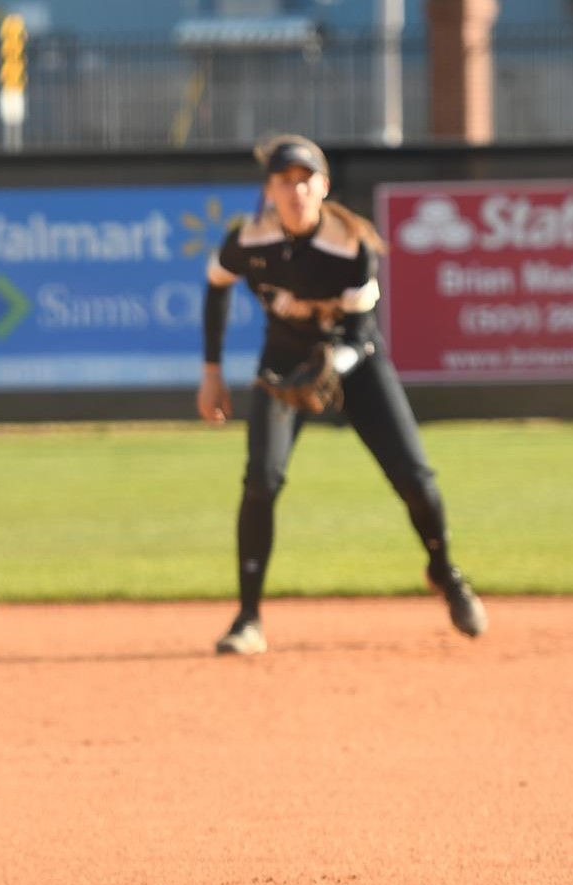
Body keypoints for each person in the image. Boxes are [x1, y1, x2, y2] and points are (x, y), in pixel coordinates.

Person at [198, 135, 486, 656]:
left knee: (416, 478)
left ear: (323, 187)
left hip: (354, 364)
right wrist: (212, 372)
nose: (295, 191)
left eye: (305, 180)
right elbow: (217, 283)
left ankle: (444, 572)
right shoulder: (249, 240)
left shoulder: (351, 245)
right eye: (284, 181)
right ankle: (248, 619)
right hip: (283, 367)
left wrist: (333, 368)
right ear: (270, 190)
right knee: (261, 480)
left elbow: (359, 334)